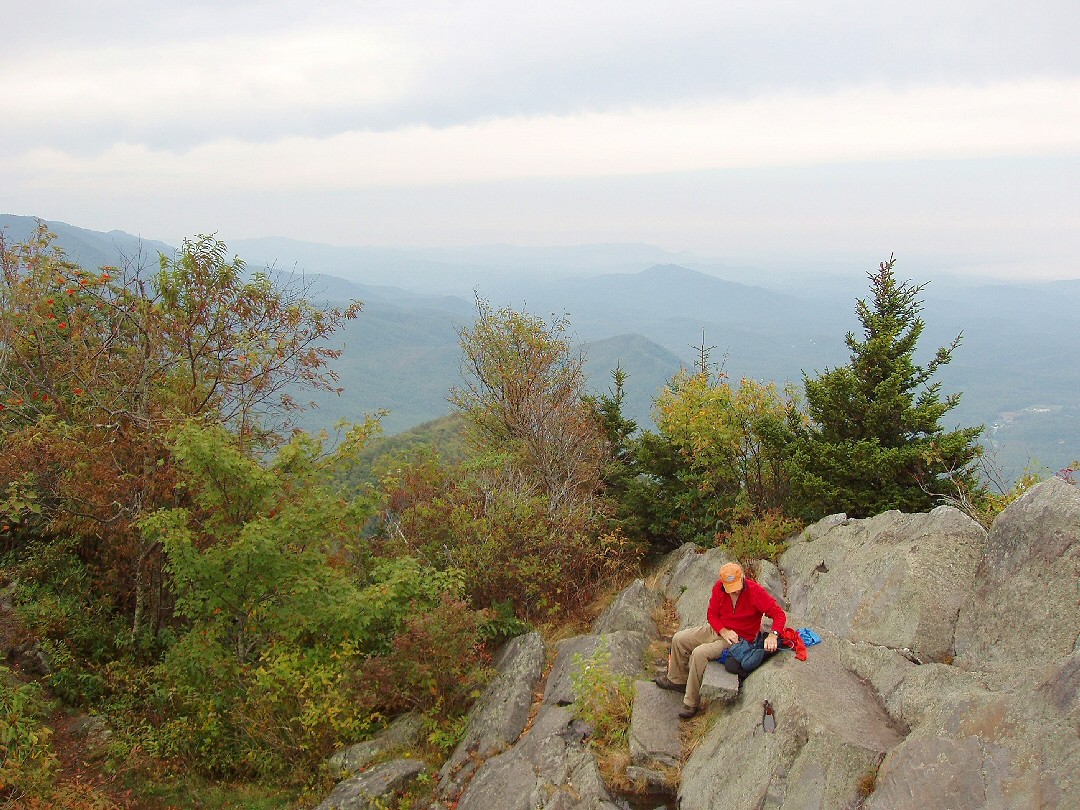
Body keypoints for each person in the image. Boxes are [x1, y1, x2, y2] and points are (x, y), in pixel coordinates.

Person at [654, 561, 787, 719]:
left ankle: (691, 702)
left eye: (737, 588)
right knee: (679, 638)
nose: (734, 593)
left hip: (737, 639)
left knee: (699, 653)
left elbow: (778, 614)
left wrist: (773, 634)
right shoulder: (719, 588)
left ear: (743, 578)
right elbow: (712, 614)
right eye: (730, 589)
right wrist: (723, 631)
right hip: (719, 630)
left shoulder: (755, 592)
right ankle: (677, 680)